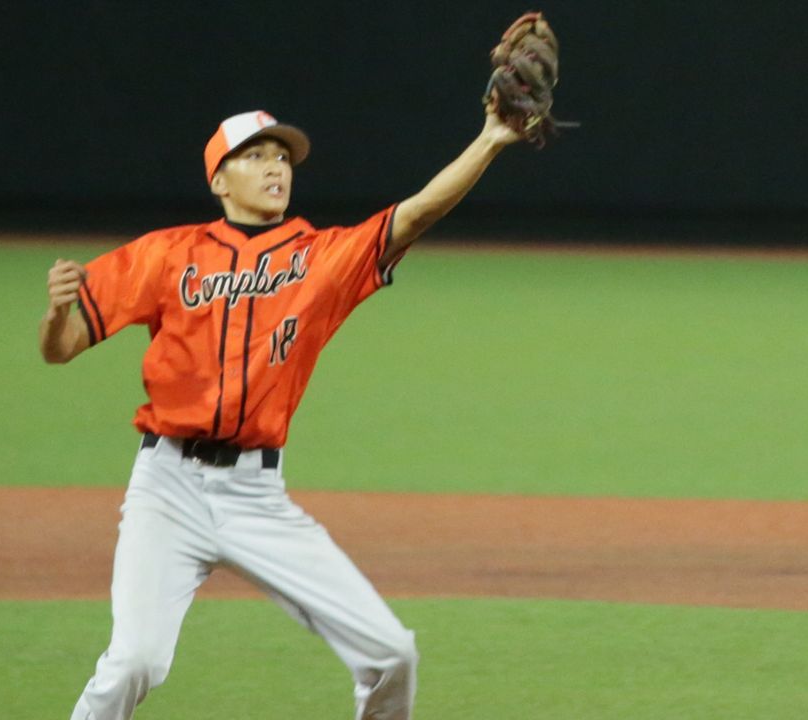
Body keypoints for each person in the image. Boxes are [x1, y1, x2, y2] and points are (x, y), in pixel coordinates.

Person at [43, 107, 520, 720]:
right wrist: (57, 316)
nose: (275, 167)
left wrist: (491, 139)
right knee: (134, 661)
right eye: (256, 155)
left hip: (255, 495)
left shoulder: (322, 258)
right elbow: (61, 349)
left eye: (282, 157)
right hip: (166, 489)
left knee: (392, 653)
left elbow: (418, 211)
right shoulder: (166, 254)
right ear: (219, 180)